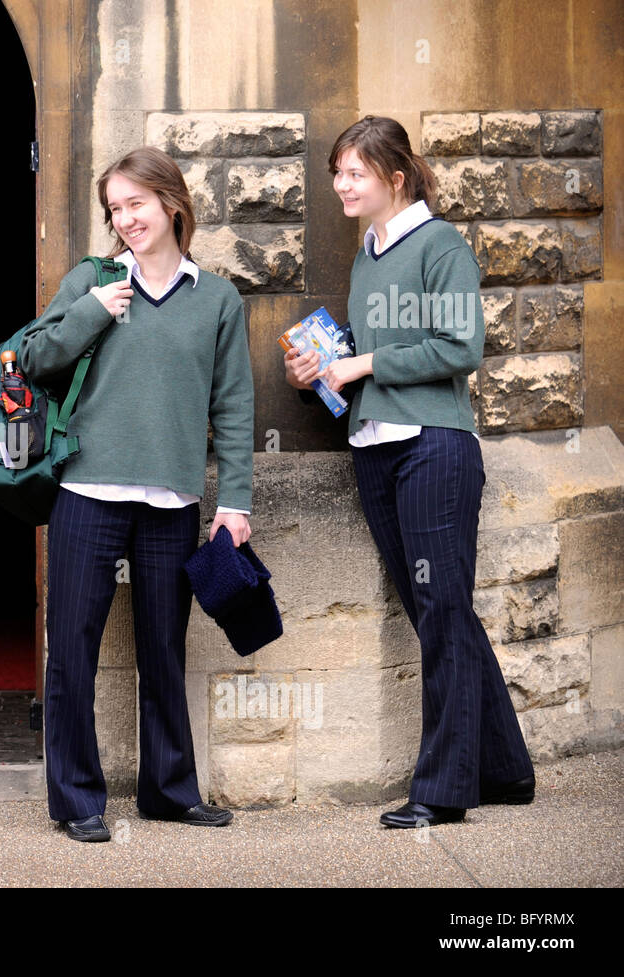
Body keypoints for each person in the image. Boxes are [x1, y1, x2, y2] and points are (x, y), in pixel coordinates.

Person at [283, 115, 536, 828]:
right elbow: (378, 347)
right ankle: (508, 769)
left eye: (354, 172)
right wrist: (320, 367)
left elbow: (461, 346)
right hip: (374, 447)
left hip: (435, 446)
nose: (341, 185)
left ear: (395, 176)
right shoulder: (368, 253)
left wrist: (361, 362)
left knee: (442, 609)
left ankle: (444, 789)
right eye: (337, 172)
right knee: (438, 610)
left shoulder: (442, 245)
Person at [19, 145, 255, 843]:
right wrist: (93, 310)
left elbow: (235, 407)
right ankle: (76, 799)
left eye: (136, 205)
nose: (125, 220)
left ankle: (169, 790)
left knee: (163, 647)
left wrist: (233, 502)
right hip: (87, 492)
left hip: (172, 501)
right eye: (114, 209)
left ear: (171, 203)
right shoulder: (92, 281)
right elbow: (33, 359)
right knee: (73, 648)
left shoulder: (216, 299)